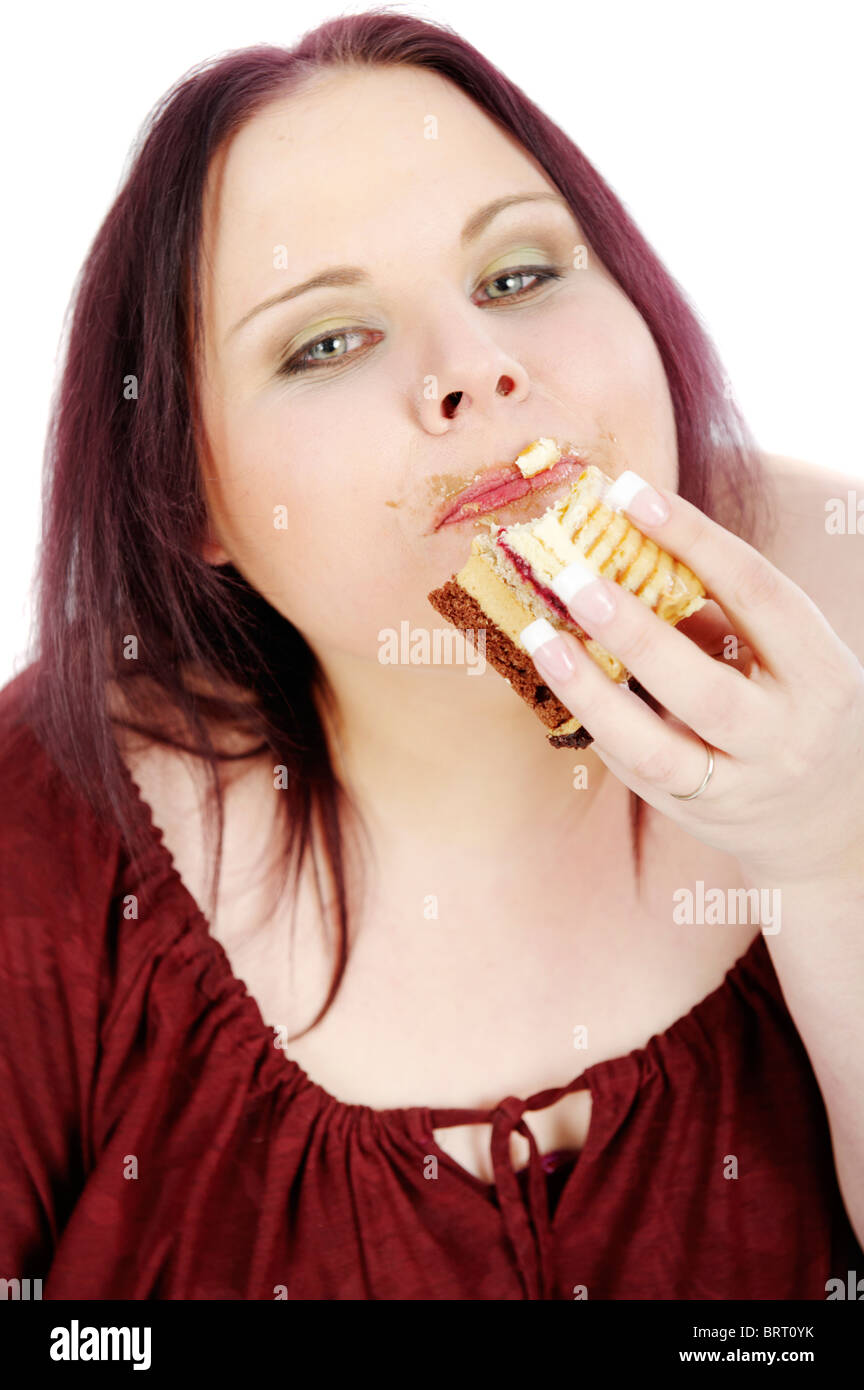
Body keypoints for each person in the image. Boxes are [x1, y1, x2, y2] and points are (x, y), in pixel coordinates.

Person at [1, 12, 862, 1300]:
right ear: (192, 499)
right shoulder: (43, 840)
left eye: (519, 276)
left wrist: (828, 848)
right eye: (327, 341)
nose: (479, 368)